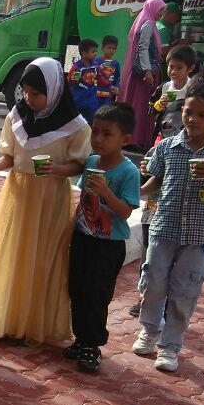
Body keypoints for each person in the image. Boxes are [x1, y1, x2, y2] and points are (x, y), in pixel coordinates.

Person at [0, 58, 91, 344]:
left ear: (55, 89)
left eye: (36, 93)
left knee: (42, 258)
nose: (29, 99)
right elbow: (10, 158)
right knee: (14, 253)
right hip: (18, 194)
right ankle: (10, 320)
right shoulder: (18, 116)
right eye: (25, 92)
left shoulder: (75, 126)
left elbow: (79, 164)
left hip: (50, 197)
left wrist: (57, 169)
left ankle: (34, 324)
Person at [133, 77, 204, 373]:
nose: (192, 119)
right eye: (188, 112)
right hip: (163, 226)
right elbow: (155, 180)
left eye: (202, 114)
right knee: (153, 283)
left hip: (198, 234)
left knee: (184, 290)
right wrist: (135, 190)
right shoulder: (168, 146)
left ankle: (170, 345)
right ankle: (149, 329)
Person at [65, 102, 141, 373]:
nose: (98, 139)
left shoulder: (129, 172)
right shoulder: (91, 162)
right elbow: (83, 198)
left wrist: (106, 192)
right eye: (95, 131)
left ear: (125, 139)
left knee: (96, 295)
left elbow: (125, 211)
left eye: (107, 134)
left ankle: (92, 345)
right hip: (83, 237)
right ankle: (80, 338)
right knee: (76, 289)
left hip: (107, 245)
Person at [118, 0, 167, 147]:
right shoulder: (148, 24)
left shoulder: (144, 21)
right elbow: (143, 48)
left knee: (136, 102)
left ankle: (132, 137)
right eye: (160, 10)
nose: (162, 13)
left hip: (140, 73)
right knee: (142, 104)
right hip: (144, 74)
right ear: (153, 9)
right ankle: (136, 138)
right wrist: (147, 70)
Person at [152, 45, 200, 144]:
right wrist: (160, 104)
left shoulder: (193, 89)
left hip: (186, 136)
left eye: (179, 68)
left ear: (190, 68)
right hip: (164, 134)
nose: (173, 72)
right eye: (171, 67)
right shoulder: (164, 87)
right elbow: (151, 110)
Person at [67, 38, 103, 122]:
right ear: (84, 53)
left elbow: (99, 78)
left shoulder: (95, 65)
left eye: (96, 51)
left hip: (92, 101)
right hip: (79, 101)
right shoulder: (77, 67)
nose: (95, 54)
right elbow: (70, 82)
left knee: (91, 122)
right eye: (93, 52)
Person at [96, 35, 121, 108]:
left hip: (108, 95)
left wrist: (116, 87)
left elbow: (117, 78)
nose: (111, 50)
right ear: (102, 48)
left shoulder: (116, 63)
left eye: (114, 48)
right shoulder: (96, 62)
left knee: (105, 112)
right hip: (96, 95)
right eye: (109, 48)